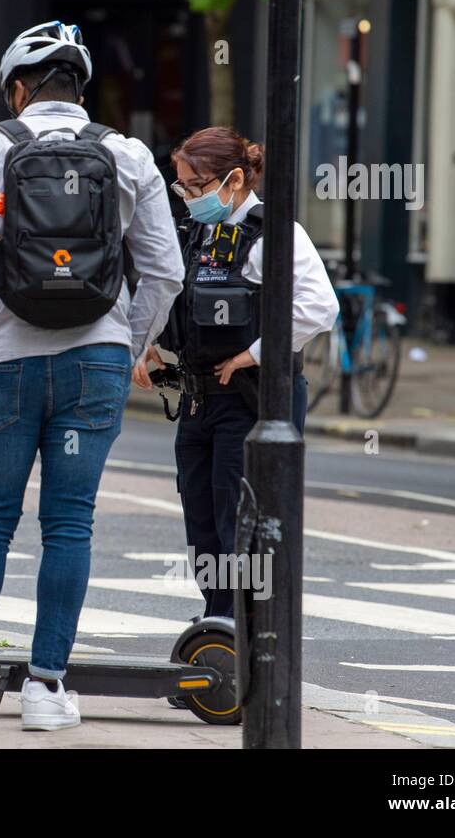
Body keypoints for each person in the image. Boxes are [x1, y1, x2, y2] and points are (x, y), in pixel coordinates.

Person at [0, 20, 185, 731]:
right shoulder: (127, 156)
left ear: (19, 89)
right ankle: (46, 688)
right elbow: (166, 271)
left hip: (2, 361)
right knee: (70, 524)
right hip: (95, 361)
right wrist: (126, 345)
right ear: (81, 90)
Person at [140, 126, 338, 621]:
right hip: (197, 399)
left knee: (239, 524)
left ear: (233, 179)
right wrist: (148, 345)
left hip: (249, 399)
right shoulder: (196, 231)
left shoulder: (274, 232)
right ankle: (216, 625)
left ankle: (242, 637)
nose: (186, 196)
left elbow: (319, 306)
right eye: (180, 186)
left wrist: (253, 353)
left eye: (195, 186)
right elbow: (174, 296)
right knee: (203, 527)